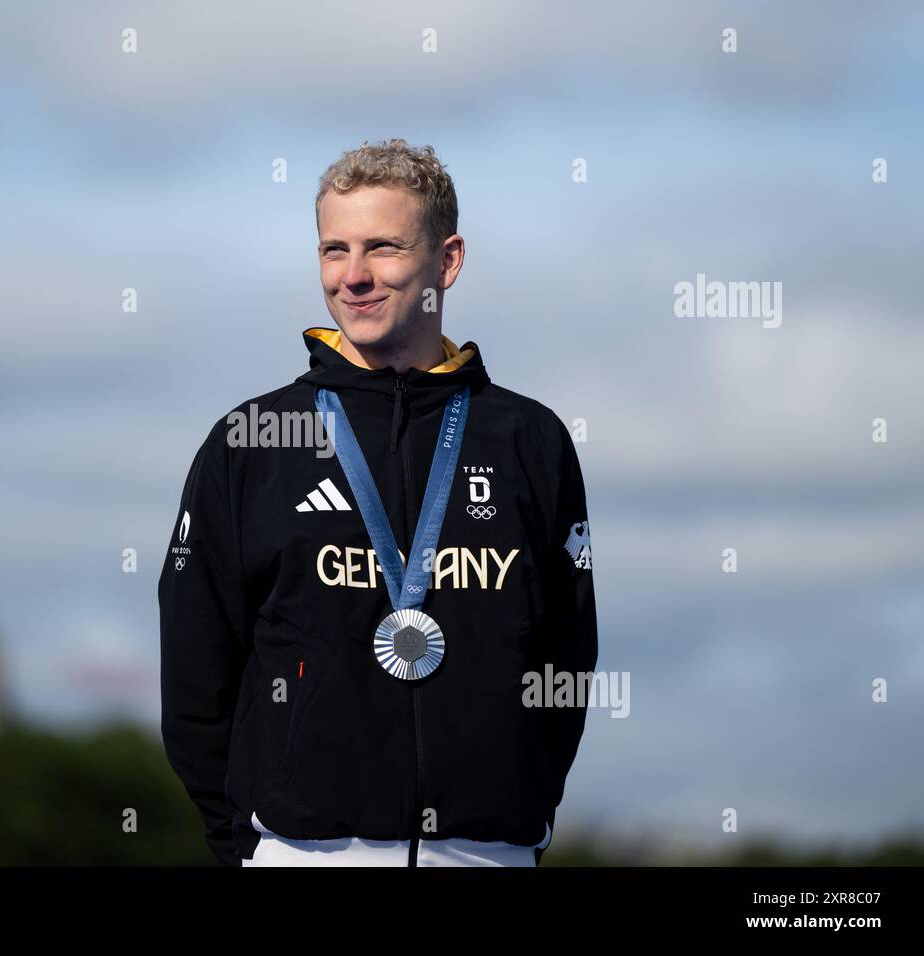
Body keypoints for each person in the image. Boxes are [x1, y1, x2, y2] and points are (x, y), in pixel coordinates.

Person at [158, 138, 597, 866]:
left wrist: (517, 811)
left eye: (383, 248)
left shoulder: (530, 440)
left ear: (447, 261)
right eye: (335, 250)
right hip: (304, 851)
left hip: (487, 851)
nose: (353, 277)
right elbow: (195, 677)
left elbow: (566, 662)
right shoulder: (253, 441)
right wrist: (247, 846)